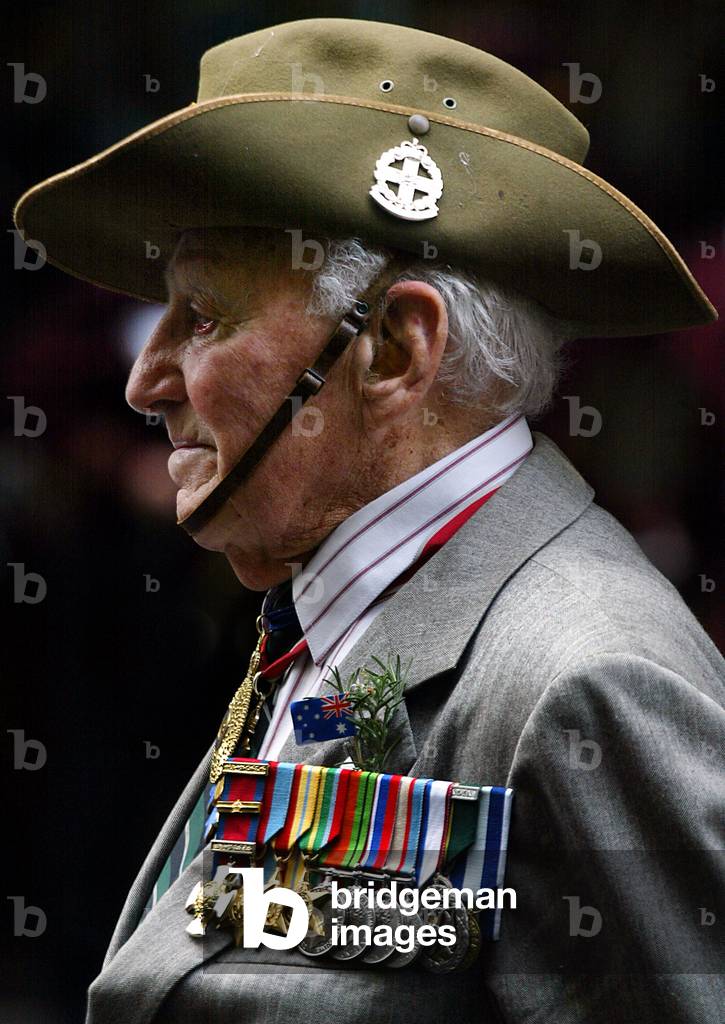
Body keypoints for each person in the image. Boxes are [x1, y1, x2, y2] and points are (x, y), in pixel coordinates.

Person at [13, 17, 724, 1024]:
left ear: (393, 351)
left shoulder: (585, 676)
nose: (143, 380)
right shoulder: (339, 605)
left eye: (205, 316)